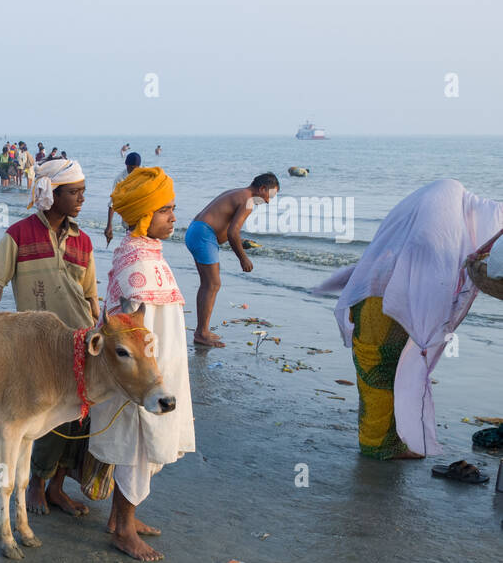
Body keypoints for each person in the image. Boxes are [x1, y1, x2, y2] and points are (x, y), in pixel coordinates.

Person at [314, 180, 503, 460]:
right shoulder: (434, 232)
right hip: (384, 310)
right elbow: (437, 266)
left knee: (374, 375)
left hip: (367, 301)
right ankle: (381, 447)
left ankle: (377, 442)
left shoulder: (406, 231)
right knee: (384, 372)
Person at [0, 158, 100, 517]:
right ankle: (36, 484)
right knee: (43, 415)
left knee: (78, 416)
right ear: (49, 193)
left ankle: (57, 487)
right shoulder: (19, 235)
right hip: (38, 346)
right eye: (73, 192)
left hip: (80, 340)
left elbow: (90, 297)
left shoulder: (83, 241)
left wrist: (101, 328)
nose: (81, 199)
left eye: (83, 192)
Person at [90, 167, 194, 561]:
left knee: (143, 445)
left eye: (173, 209)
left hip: (154, 370)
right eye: (166, 211)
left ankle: (122, 519)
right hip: (142, 377)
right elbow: (124, 326)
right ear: (147, 216)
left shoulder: (142, 253)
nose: (173, 218)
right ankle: (124, 529)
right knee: (138, 445)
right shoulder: (139, 263)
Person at [186, 173, 278, 347]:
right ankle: (202, 333)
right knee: (212, 284)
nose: (268, 201)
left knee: (208, 284)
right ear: (262, 189)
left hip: (196, 230)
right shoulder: (248, 200)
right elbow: (232, 232)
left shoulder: (238, 192)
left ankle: (201, 331)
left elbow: (225, 224)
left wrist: (239, 242)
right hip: (204, 235)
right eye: (270, 196)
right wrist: (243, 258)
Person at [104, 151, 142, 244]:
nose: (134, 171)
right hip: (130, 222)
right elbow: (113, 203)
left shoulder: (145, 174)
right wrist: (109, 226)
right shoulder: (120, 179)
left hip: (145, 219)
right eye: (131, 168)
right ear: (126, 165)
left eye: (136, 168)